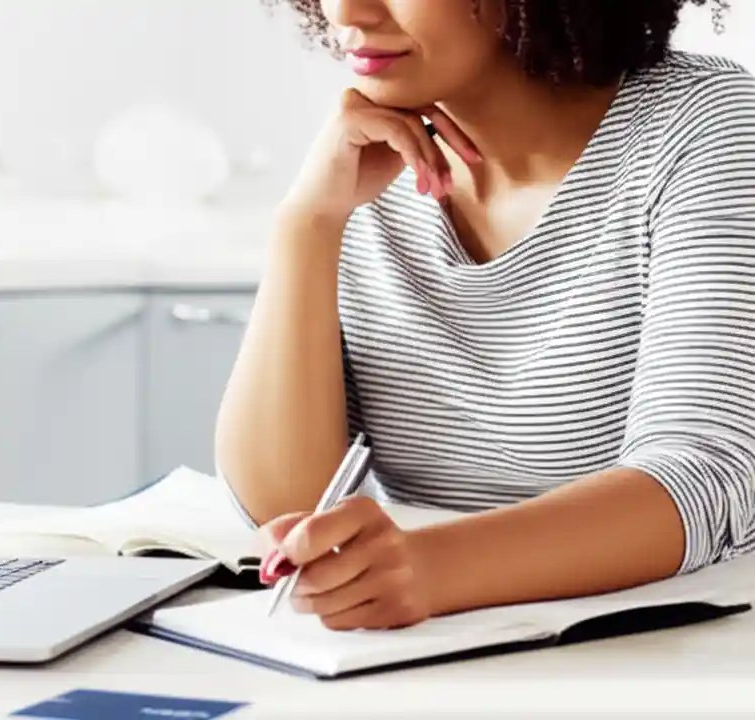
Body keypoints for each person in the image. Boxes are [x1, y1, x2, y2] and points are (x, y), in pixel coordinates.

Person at [217, 0, 755, 631]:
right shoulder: (367, 167)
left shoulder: (708, 129)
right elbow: (286, 509)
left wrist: (430, 569)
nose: (349, 12)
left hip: (665, 656)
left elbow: (706, 479)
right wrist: (306, 226)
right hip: (423, 657)